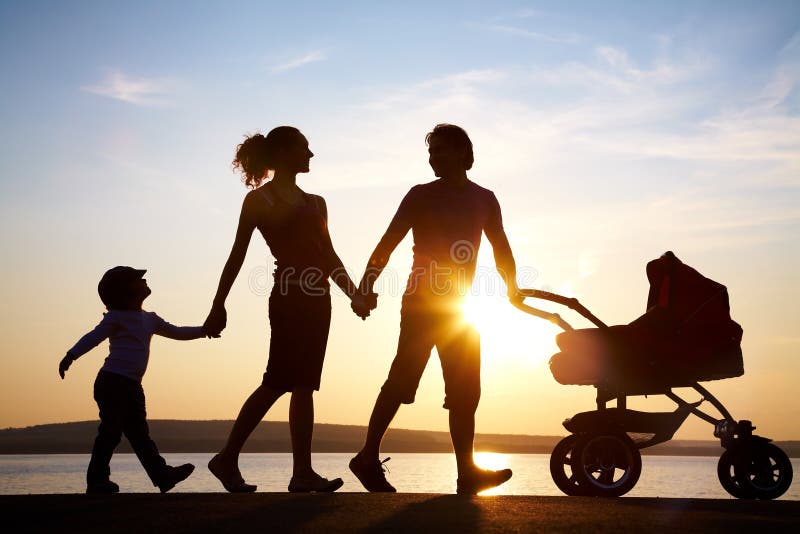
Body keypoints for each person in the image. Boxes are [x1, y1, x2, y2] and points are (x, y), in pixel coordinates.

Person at [349, 124, 522, 495]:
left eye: (441, 150)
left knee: (466, 392)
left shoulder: (485, 199)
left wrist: (513, 288)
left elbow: (501, 248)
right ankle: (366, 456)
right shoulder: (419, 196)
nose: (433, 158)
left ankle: (467, 473)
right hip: (421, 305)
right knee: (401, 382)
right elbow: (388, 242)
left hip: (461, 309)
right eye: (431, 152)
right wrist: (365, 288)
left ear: (463, 152)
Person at [203, 126, 374, 493]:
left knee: (304, 384)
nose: (311, 155)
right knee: (277, 380)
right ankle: (228, 458)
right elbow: (237, 256)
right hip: (287, 298)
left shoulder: (317, 203)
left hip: (319, 300)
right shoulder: (259, 202)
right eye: (305, 149)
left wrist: (355, 295)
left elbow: (328, 256)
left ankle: (299, 473)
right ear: (284, 153)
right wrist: (218, 305)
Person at [58, 266, 209, 494]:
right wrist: (71, 355)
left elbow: (177, 332)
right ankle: (97, 480)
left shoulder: (150, 319)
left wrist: (203, 330)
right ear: (123, 291)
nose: (144, 280)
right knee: (111, 431)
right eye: (138, 279)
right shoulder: (116, 318)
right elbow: (93, 337)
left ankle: (162, 476)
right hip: (112, 383)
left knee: (139, 434)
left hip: (131, 386)